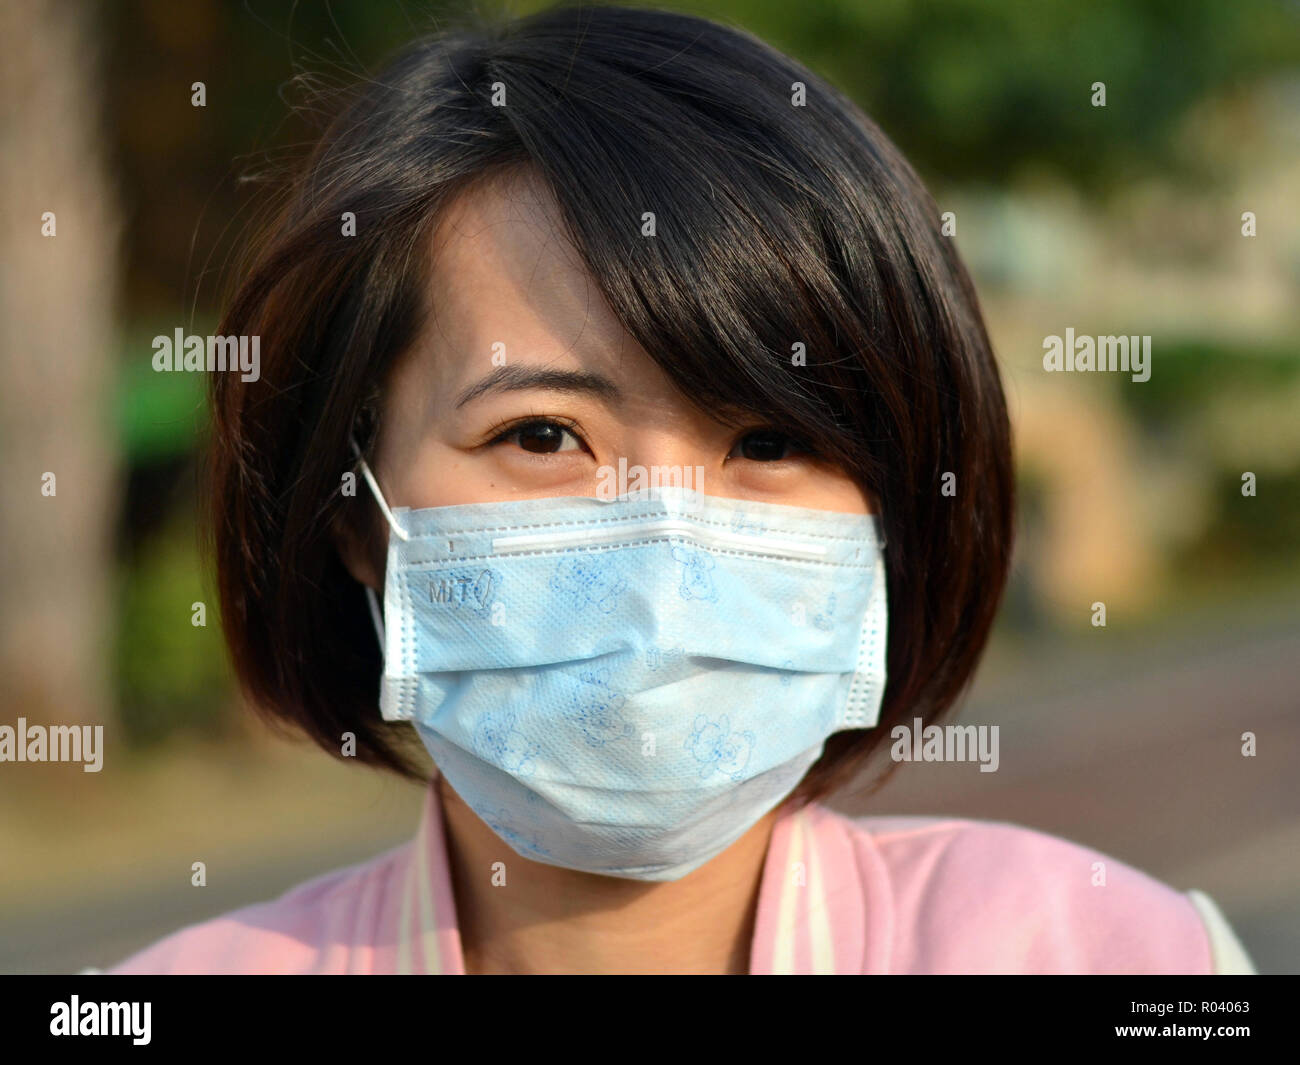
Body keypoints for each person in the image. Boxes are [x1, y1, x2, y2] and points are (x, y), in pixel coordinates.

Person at [108, 3, 1254, 975]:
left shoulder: (1107, 953)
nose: (664, 550)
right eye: (543, 432)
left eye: (766, 440)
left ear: (895, 514)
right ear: (355, 511)